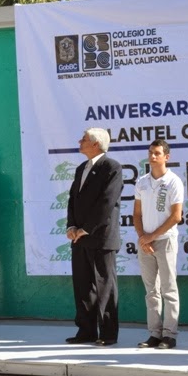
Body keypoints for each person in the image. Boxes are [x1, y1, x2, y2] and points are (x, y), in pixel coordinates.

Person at [65, 128, 124, 346]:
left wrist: (87, 228)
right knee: (83, 285)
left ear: (96, 144)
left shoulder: (111, 167)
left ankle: (107, 333)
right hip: (79, 238)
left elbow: (107, 203)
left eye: (84, 139)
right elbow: (73, 199)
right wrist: (72, 225)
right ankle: (86, 331)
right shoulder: (81, 168)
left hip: (100, 237)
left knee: (104, 285)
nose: (80, 141)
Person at [134, 139, 184, 350]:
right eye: (150, 153)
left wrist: (152, 236)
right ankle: (154, 333)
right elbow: (137, 214)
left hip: (165, 241)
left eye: (157, 153)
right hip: (146, 243)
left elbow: (176, 216)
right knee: (151, 291)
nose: (152, 157)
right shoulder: (142, 182)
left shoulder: (173, 181)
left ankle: (169, 334)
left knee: (168, 289)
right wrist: (142, 237)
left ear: (166, 157)